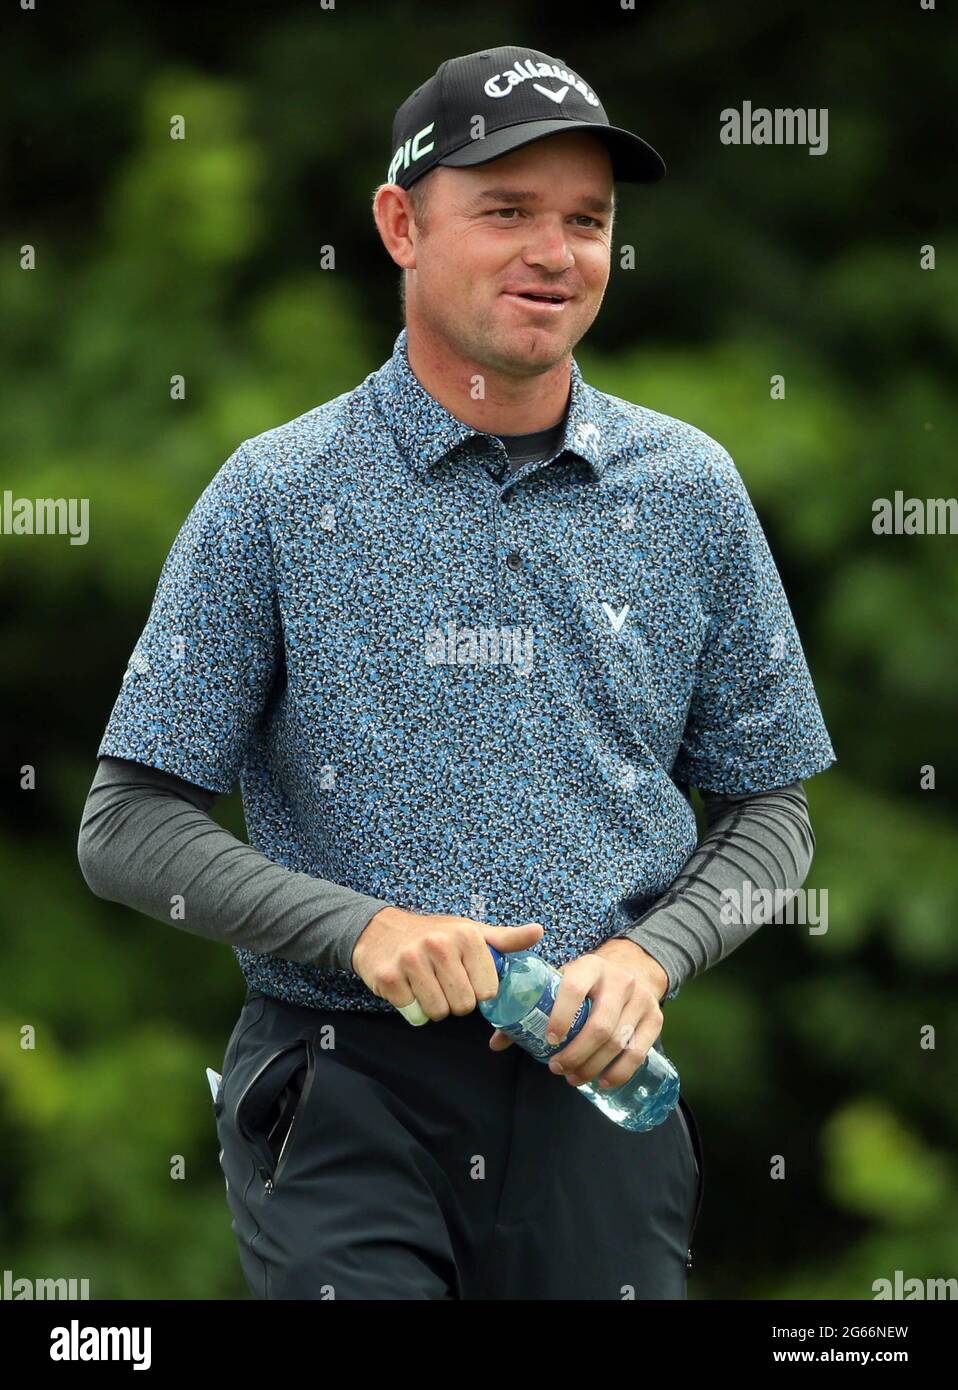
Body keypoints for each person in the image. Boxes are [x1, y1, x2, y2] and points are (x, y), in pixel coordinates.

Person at [77, 44, 836, 1300]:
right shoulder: (276, 493)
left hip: (598, 1093)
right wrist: (361, 928)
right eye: (506, 211)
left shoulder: (690, 490)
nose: (555, 252)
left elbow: (771, 812)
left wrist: (649, 960)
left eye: (586, 220)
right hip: (340, 1091)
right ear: (400, 225)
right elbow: (126, 826)